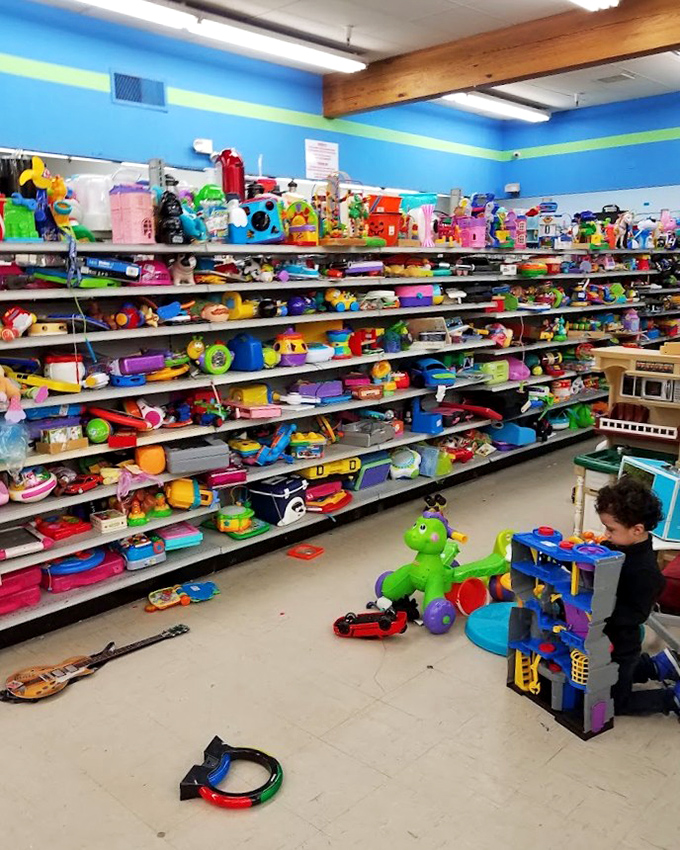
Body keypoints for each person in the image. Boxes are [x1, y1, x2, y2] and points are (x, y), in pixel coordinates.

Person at [596, 475, 680, 716]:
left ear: (637, 530)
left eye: (611, 529)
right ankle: (658, 665)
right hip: (609, 641)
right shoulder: (622, 545)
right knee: (613, 673)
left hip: (621, 645)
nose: (606, 533)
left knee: (615, 700)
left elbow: (637, 613)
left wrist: (601, 613)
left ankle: (671, 698)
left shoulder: (644, 570)